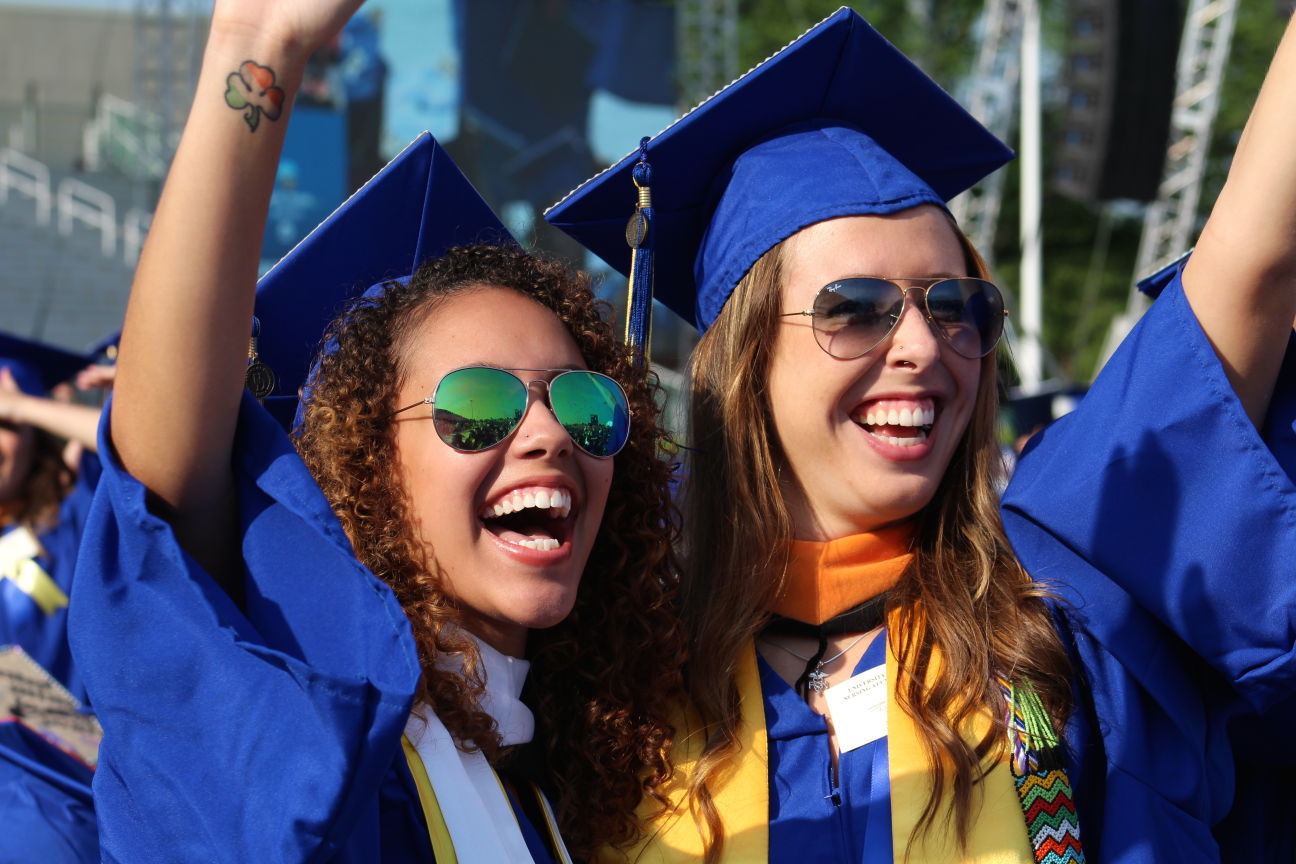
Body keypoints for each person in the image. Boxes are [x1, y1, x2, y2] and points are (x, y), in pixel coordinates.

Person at [547, 7, 1296, 863]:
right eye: (856, 310)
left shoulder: (1056, 612)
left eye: (956, 306)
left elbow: (1254, 259)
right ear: (745, 361)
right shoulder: (615, 675)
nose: (922, 345)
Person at [66, 2, 681, 861]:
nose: (549, 435)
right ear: (366, 468)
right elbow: (160, 496)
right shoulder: (305, 748)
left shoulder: (542, 795)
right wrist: (257, 47)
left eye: (586, 405)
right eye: (479, 406)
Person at [0, 334, 105, 864]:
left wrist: (22, 404)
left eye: (4, 425)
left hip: (70, 803)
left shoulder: (74, 518)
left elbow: (125, 442)